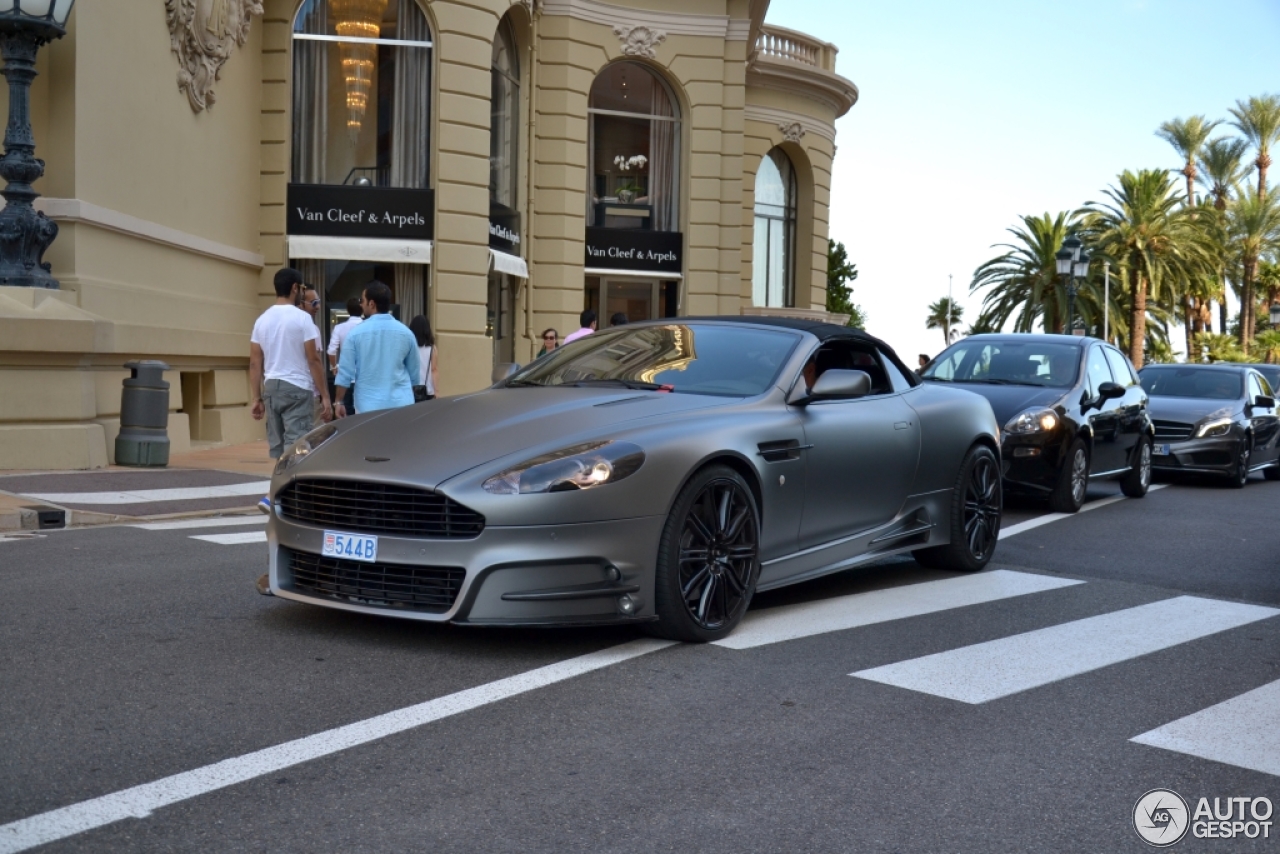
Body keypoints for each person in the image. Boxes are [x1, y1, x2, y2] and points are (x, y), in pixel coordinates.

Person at [250, 268, 331, 593]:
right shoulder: (302, 321)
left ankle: (275, 496)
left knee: (281, 450)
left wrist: (255, 397)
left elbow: (255, 361)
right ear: (296, 288)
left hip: (272, 387)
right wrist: (324, 395)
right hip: (298, 388)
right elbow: (313, 361)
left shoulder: (262, 319)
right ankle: (279, 499)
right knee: (298, 452)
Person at [334, 281, 420, 417]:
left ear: (372, 304)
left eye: (362, 300)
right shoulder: (406, 333)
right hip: (401, 405)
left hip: (368, 408)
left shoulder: (355, 334)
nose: (360, 304)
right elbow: (415, 374)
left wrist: (338, 402)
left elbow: (345, 373)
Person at [327, 297, 363, 413]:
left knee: (347, 417)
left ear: (347, 310)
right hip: (364, 378)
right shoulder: (367, 327)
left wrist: (334, 367)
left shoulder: (339, 328)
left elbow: (331, 351)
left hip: (345, 378)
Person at [408, 314, 439, 400]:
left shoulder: (409, 347)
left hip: (411, 390)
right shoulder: (432, 348)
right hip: (428, 391)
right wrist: (436, 391)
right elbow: (434, 370)